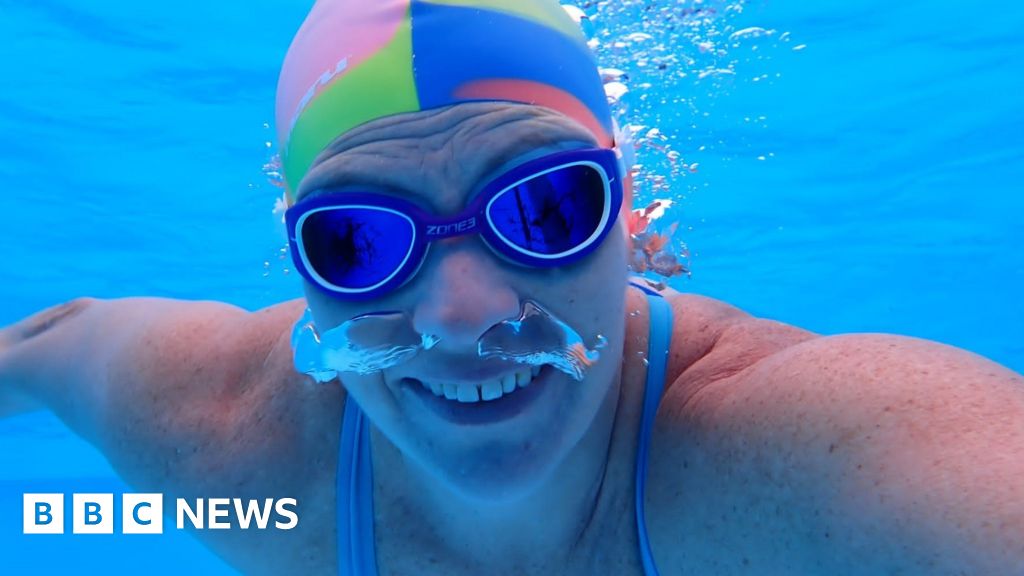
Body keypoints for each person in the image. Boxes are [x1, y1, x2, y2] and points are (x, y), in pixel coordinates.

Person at [3, 1, 1023, 574]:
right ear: (302, 269)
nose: (463, 313)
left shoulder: (796, 455)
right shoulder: (221, 442)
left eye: (542, 210)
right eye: (358, 241)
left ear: (634, 226)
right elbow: (48, 348)